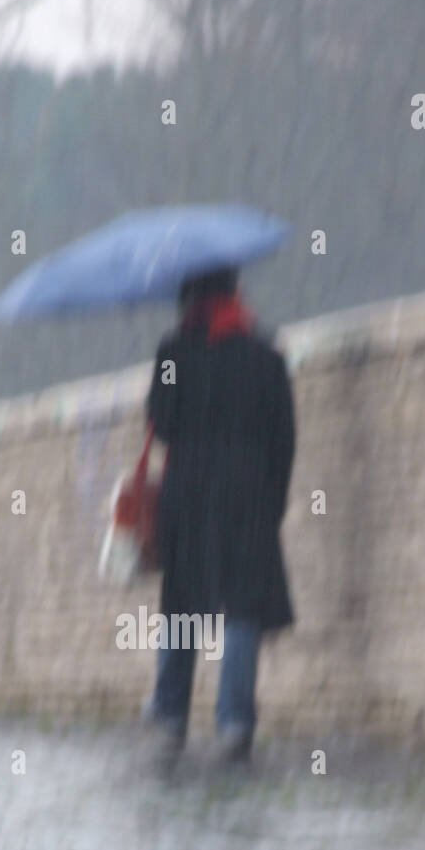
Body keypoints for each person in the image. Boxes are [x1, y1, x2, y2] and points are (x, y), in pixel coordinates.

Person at [143, 265, 295, 765]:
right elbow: (284, 438)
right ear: (233, 293)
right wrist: (273, 501)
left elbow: (161, 424)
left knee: (183, 602)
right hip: (248, 494)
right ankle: (233, 723)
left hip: (187, 492)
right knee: (243, 606)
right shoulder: (265, 356)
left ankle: (170, 715)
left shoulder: (172, 353)